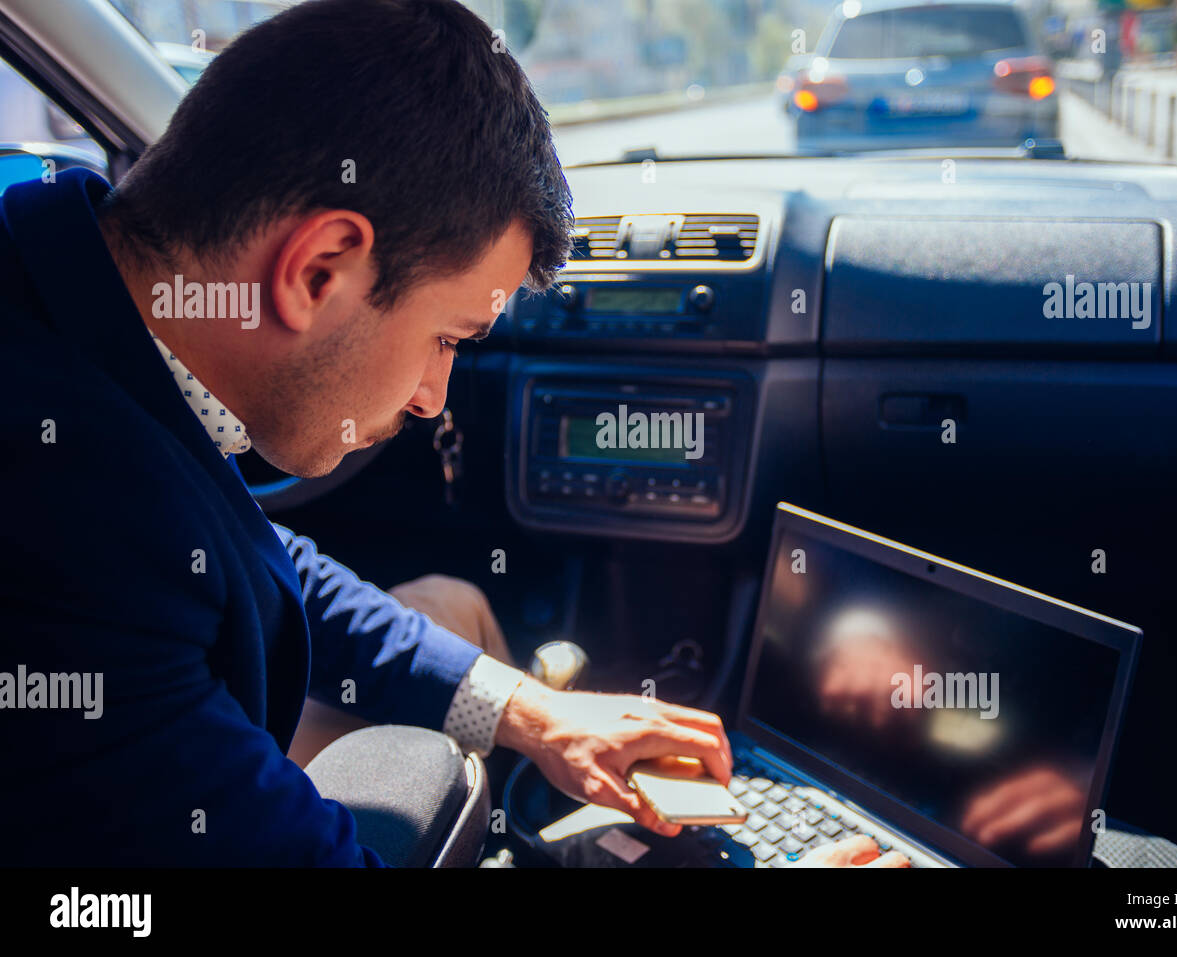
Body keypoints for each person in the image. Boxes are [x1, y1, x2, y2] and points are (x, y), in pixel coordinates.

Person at [0, 0, 903, 868]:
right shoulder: (76, 544)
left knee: (450, 598)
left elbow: (252, 549)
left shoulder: (69, 311)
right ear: (318, 270)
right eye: (448, 339)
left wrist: (533, 712)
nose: (436, 398)